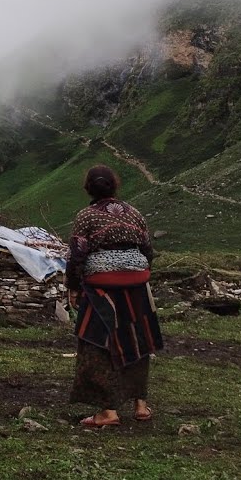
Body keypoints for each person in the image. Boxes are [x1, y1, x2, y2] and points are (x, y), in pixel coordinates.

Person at [65, 165, 162, 427]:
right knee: (137, 338)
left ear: (88, 188)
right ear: (115, 186)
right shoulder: (135, 213)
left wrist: (73, 286)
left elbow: (77, 254)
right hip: (137, 286)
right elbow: (148, 250)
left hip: (102, 288)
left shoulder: (86, 216)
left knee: (99, 342)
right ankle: (140, 405)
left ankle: (108, 411)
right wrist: (137, 273)